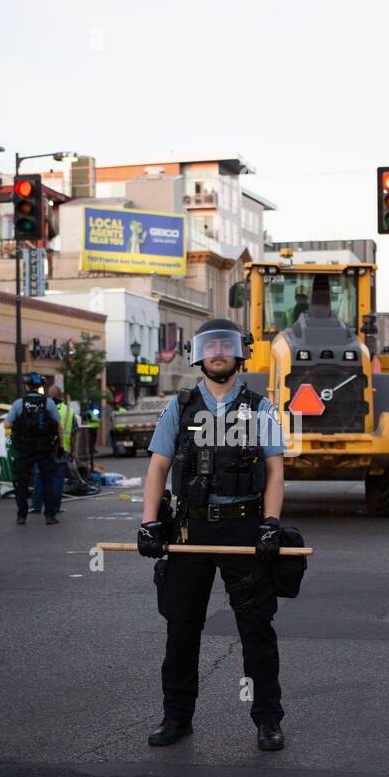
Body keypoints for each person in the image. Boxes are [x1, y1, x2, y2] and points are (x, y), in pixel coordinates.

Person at [138, 317, 288, 752]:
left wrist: (271, 524)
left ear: (240, 352)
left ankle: (268, 720)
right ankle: (176, 717)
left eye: (225, 346)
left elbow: (276, 471)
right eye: (210, 346)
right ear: (198, 355)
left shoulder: (260, 407)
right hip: (189, 529)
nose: (218, 353)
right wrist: (149, 523)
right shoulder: (179, 406)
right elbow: (157, 467)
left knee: (257, 627)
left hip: (244, 526)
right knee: (181, 628)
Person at [4, 372, 61, 525]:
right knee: (47, 480)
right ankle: (50, 515)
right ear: (41, 386)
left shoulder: (19, 404)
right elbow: (58, 425)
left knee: (22, 482)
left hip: (25, 447)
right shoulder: (48, 403)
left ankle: (21, 515)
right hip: (45, 447)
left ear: (27, 385)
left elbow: (7, 424)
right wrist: (60, 445)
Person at [32, 384, 75, 519]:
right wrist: (72, 451)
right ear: (61, 395)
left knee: (39, 476)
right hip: (61, 450)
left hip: (44, 447)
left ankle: (36, 505)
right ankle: (55, 506)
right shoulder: (69, 411)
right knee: (57, 478)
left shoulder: (40, 408)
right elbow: (73, 434)